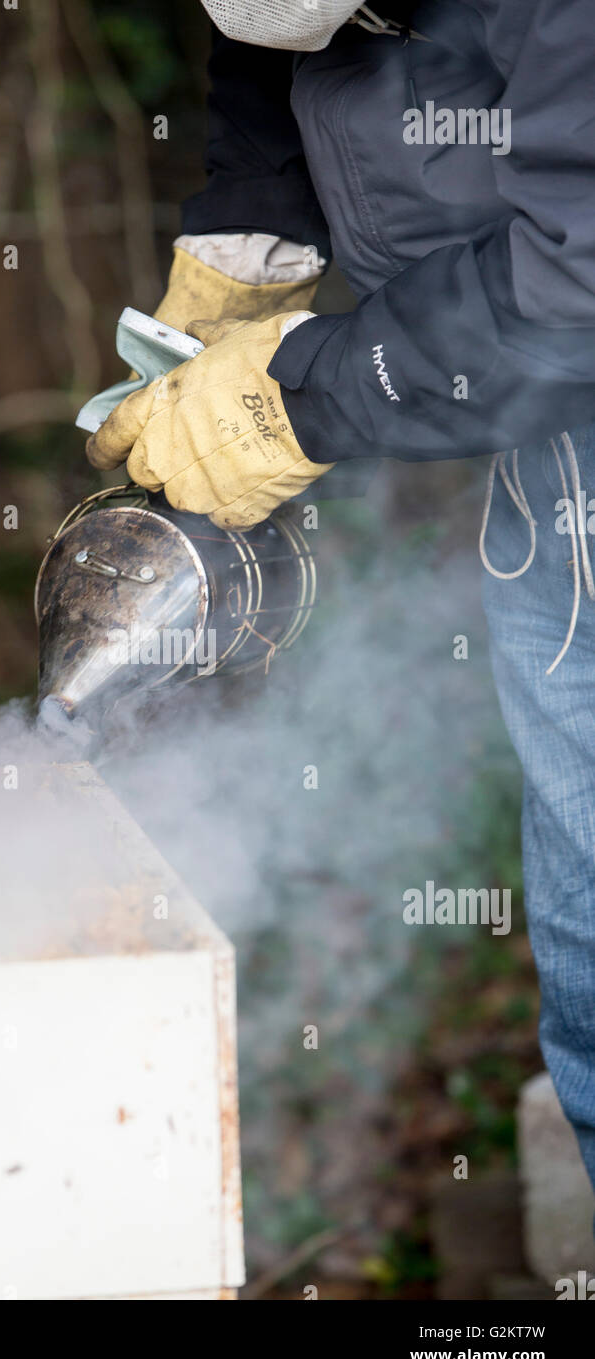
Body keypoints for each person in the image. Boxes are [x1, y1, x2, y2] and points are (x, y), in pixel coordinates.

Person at [87, 2, 595, 1198]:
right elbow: (280, 37)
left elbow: (580, 278)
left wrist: (301, 397)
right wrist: (248, 235)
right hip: (550, 447)